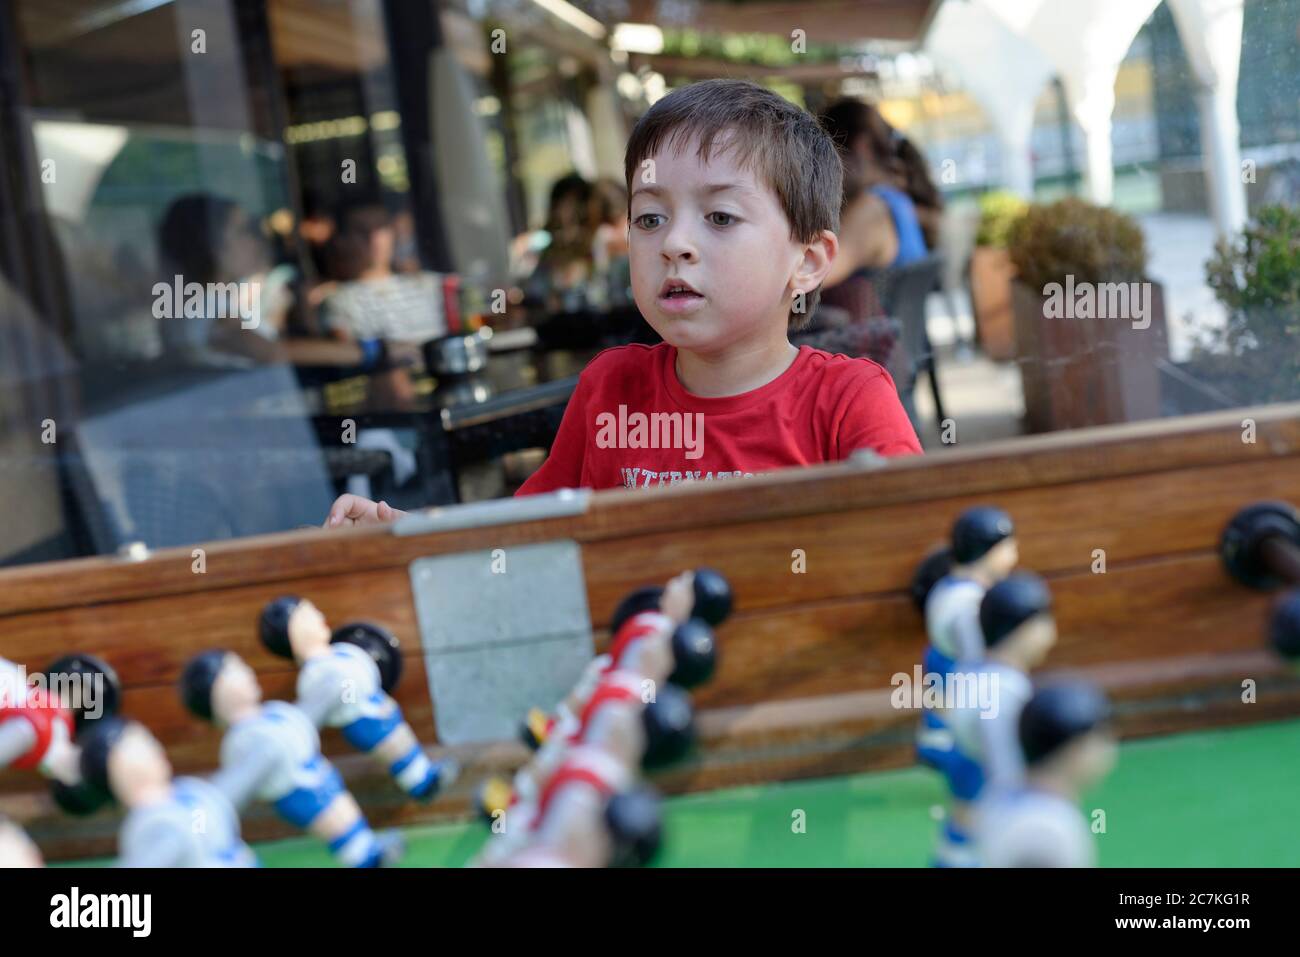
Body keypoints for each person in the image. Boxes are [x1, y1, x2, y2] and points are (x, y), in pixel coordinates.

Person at [322, 79, 921, 526]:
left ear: (808, 262)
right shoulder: (611, 389)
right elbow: (522, 537)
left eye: (719, 216)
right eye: (650, 218)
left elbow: (914, 536)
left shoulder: (847, 403)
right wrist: (406, 532)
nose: (675, 244)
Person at [818, 99, 939, 285]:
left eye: (825, 155)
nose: (820, 171)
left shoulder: (870, 212)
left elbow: (809, 283)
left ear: (861, 146)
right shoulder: (898, 199)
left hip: (865, 315)